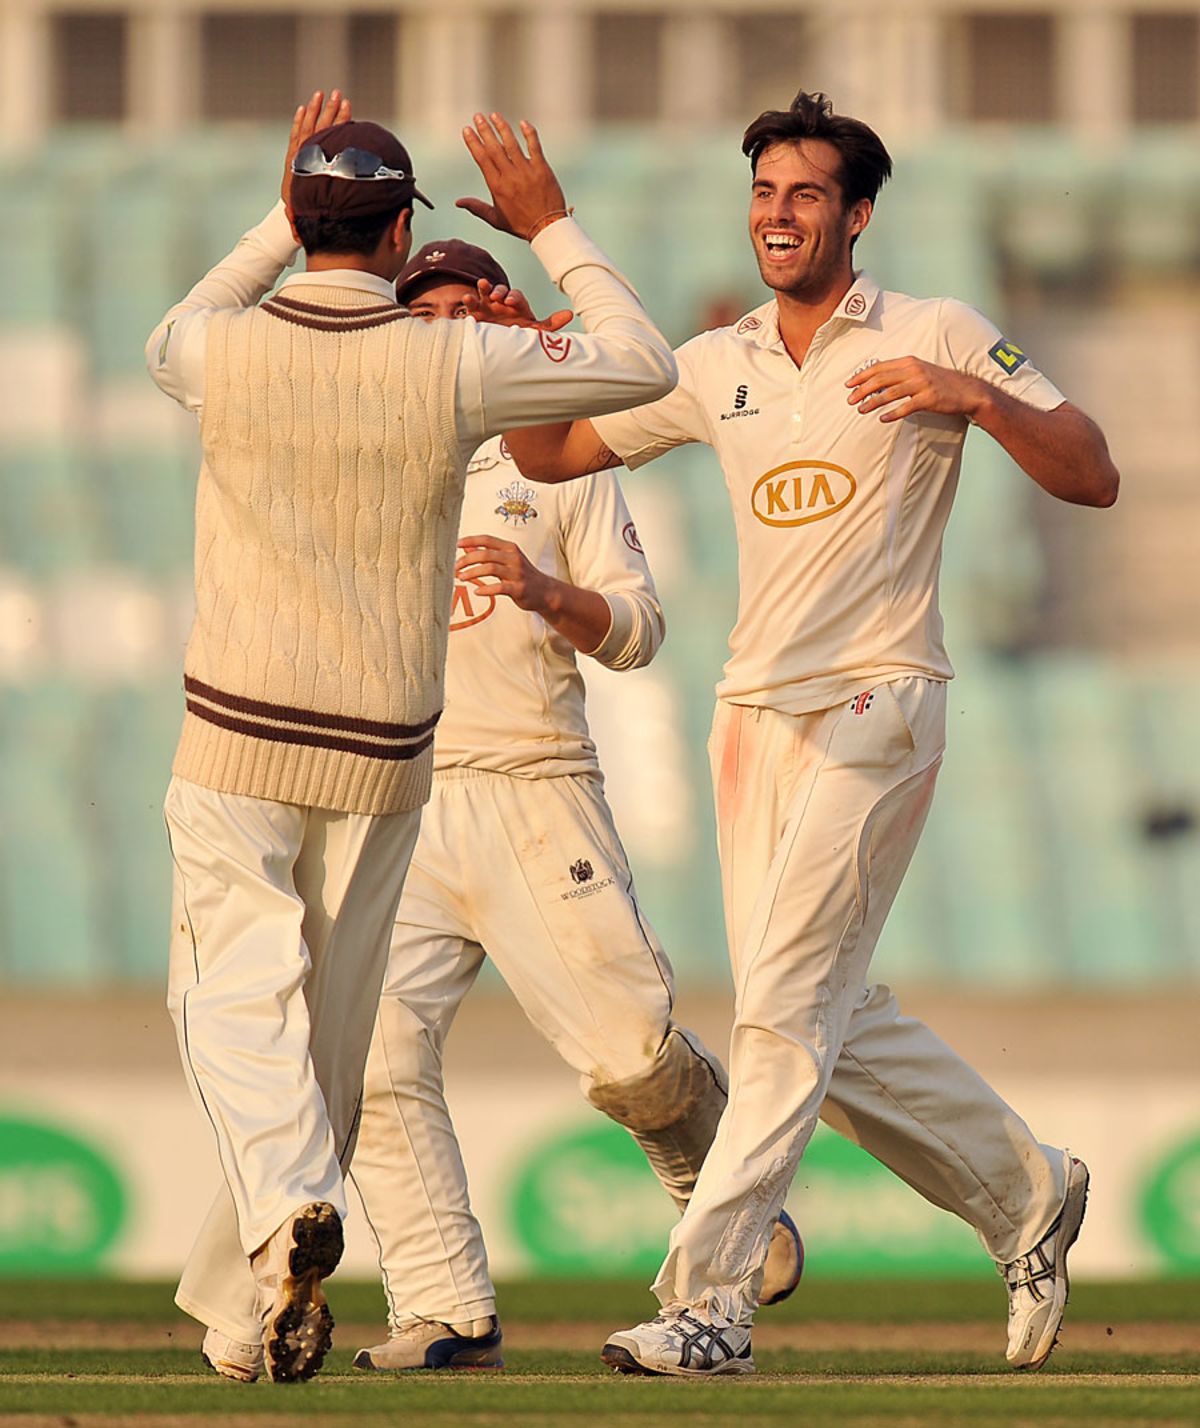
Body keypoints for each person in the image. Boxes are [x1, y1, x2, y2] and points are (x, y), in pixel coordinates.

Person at [503, 91, 1120, 1378]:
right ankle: (1027, 1191)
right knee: (823, 1021)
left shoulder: (937, 331)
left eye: (804, 195)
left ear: (858, 214)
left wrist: (974, 396)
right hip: (753, 716)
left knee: (783, 1006)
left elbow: (1090, 466)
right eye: (764, 194)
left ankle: (707, 1302)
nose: (777, 217)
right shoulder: (714, 362)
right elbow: (552, 452)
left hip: (883, 695)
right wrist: (525, 347)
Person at [182, 240, 804, 1384]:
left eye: (473, 308)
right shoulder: (371, 452)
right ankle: (445, 1308)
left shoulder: (551, 459)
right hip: (403, 794)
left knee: (629, 1063)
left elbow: (639, 628)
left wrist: (543, 591)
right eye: (432, 309)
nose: (454, 325)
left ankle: (714, 1192)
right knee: (370, 1061)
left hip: (535, 787)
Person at [146, 91, 679, 1383]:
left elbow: (173, 331)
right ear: (396, 242)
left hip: (241, 737)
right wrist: (552, 227)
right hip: (390, 755)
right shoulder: (456, 362)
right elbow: (645, 361)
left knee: (227, 998)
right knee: (337, 1039)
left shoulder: (218, 349)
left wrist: (283, 215)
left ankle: (284, 1215)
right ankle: (245, 1315)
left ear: (307, 220)